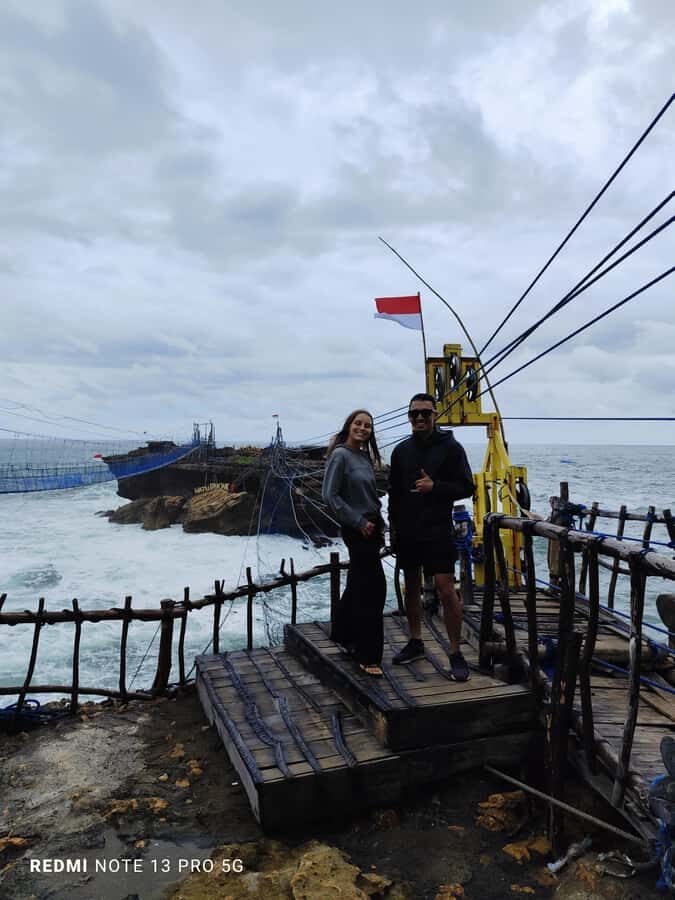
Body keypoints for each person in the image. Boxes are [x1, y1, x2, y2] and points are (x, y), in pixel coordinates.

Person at [388, 393, 474, 681]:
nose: (420, 418)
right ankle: (415, 642)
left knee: (445, 589)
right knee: (411, 585)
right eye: (414, 413)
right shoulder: (401, 451)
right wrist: (393, 527)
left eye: (425, 413)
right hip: (408, 529)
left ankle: (455, 652)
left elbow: (467, 486)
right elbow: (394, 493)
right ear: (409, 417)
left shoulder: (452, 447)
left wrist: (434, 486)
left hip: (437, 528)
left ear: (435, 415)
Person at [322, 409, 386, 677]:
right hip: (358, 529)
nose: (362, 428)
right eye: (358, 423)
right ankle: (367, 654)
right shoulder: (340, 455)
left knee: (359, 584)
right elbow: (330, 495)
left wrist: (379, 524)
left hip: (372, 526)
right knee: (374, 590)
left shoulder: (363, 456)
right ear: (349, 426)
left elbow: (369, 495)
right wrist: (359, 522)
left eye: (367, 425)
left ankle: (343, 633)